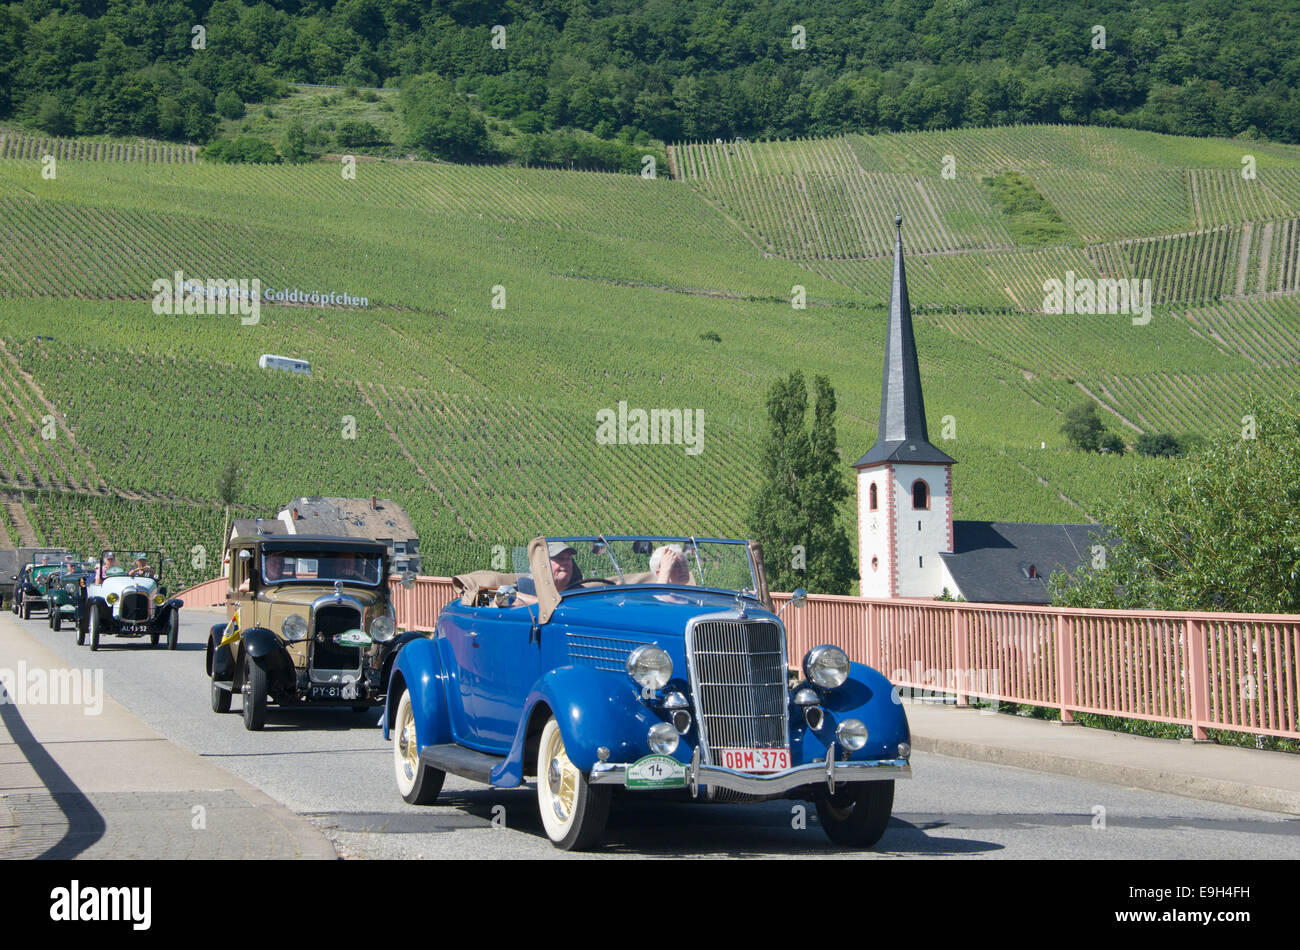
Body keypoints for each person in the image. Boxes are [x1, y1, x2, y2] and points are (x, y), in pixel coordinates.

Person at [514, 542, 582, 605]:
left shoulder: (579, 590)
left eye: (569, 559)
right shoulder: (526, 586)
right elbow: (507, 597)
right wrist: (543, 604)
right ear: (542, 563)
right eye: (560, 558)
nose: (566, 563)